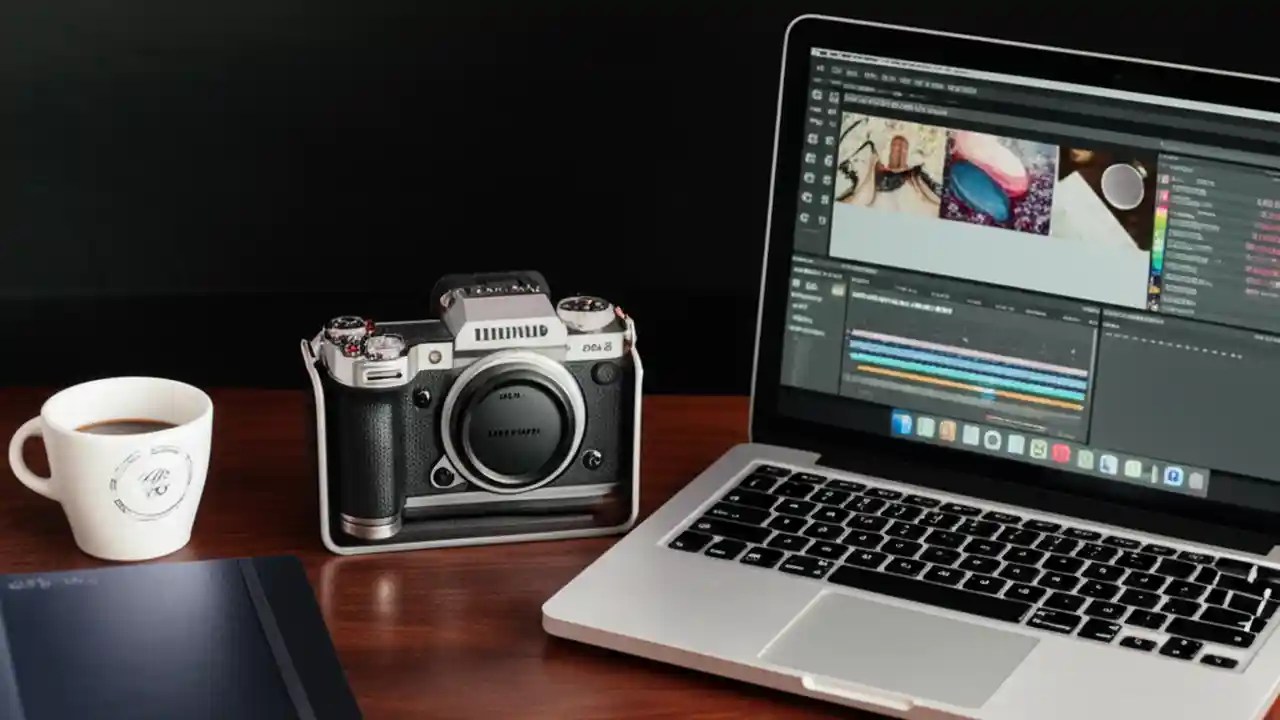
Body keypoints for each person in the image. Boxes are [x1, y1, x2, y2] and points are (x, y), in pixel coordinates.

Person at [837, 129, 942, 216]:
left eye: (903, 148)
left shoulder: (915, 176)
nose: (899, 149)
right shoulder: (875, 172)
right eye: (896, 147)